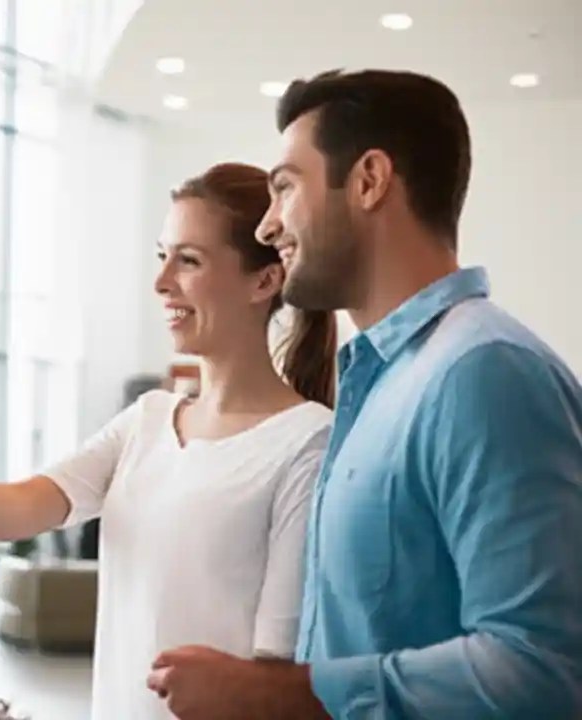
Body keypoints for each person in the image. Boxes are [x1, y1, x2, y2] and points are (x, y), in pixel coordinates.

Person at [148, 69, 582, 719]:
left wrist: (274, 695)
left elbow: (542, 670)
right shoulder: (380, 384)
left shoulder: (485, 372)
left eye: (285, 189)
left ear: (370, 181)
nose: (268, 227)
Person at [0, 162, 338, 719]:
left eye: (189, 260)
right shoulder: (147, 420)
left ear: (264, 281)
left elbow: (276, 673)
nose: (162, 283)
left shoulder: (306, 441)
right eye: (162, 257)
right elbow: (23, 508)